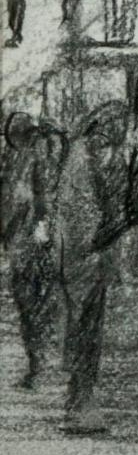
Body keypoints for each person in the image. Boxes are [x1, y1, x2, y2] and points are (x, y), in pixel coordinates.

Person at [51, 101, 133, 434]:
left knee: (82, 324)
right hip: (83, 253)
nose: (122, 129)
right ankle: (80, 402)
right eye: (118, 123)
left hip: (81, 253)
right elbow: (86, 208)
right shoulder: (89, 154)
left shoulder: (86, 152)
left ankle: (79, 399)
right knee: (83, 325)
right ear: (104, 123)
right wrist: (100, 239)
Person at [2, 112, 63, 389]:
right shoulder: (20, 158)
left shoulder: (40, 154)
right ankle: (38, 365)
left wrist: (42, 224)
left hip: (36, 239)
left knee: (36, 303)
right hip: (24, 239)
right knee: (31, 303)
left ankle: (41, 366)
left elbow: (44, 195)